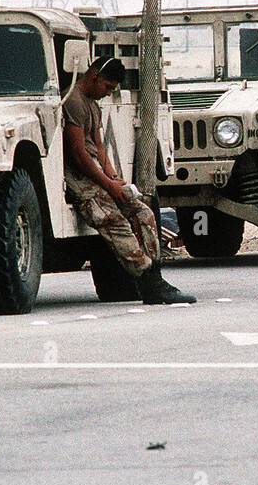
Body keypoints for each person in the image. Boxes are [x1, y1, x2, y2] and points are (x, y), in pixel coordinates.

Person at [63, 57, 195, 304]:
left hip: (98, 176)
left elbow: (98, 145)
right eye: (107, 87)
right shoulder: (73, 101)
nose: (107, 93)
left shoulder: (91, 102)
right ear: (94, 77)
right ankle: (148, 281)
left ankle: (154, 274)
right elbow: (79, 154)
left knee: (143, 213)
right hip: (81, 180)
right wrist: (108, 184)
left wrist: (114, 176)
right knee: (115, 222)